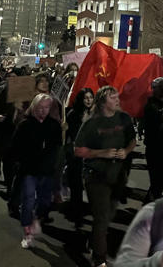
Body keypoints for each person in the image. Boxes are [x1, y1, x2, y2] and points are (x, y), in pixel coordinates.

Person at [74, 86, 137, 267]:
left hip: (117, 176)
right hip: (96, 176)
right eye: (112, 97)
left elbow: (132, 139)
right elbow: (78, 150)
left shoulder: (124, 118)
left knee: (108, 215)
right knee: (101, 217)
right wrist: (102, 153)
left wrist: (126, 150)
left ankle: (94, 241)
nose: (117, 100)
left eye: (117, 97)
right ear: (102, 102)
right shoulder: (92, 122)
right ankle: (99, 259)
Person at [12, 93, 62, 249]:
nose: (43, 111)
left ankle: (37, 218)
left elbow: (57, 147)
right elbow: (15, 147)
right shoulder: (25, 125)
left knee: (44, 201)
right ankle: (27, 232)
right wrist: (20, 162)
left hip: (46, 170)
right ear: (34, 107)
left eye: (47, 107)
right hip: (29, 170)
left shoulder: (53, 125)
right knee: (28, 200)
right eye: (40, 107)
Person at [65, 87, 95, 227]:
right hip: (76, 153)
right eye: (86, 98)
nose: (89, 100)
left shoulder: (95, 113)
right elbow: (71, 134)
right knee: (76, 182)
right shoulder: (73, 114)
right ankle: (75, 209)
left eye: (91, 97)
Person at [144, 78, 163, 202]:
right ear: (154, 89)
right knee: (156, 181)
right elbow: (159, 120)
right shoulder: (150, 105)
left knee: (162, 181)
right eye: (161, 87)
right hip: (154, 149)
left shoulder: (162, 102)